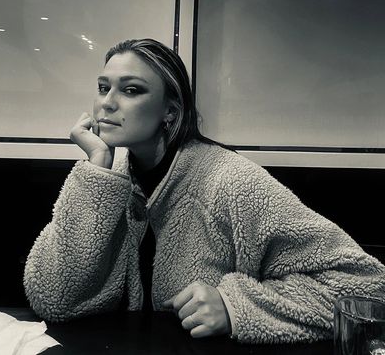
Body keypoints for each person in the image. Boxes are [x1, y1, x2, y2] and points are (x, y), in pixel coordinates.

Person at [24, 38, 385, 344]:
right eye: (104, 87)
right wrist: (97, 168)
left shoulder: (232, 182)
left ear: (170, 111)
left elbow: (367, 287)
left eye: (131, 90)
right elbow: (54, 298)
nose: (107, 102)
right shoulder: (107, 178)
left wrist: (235, 307)